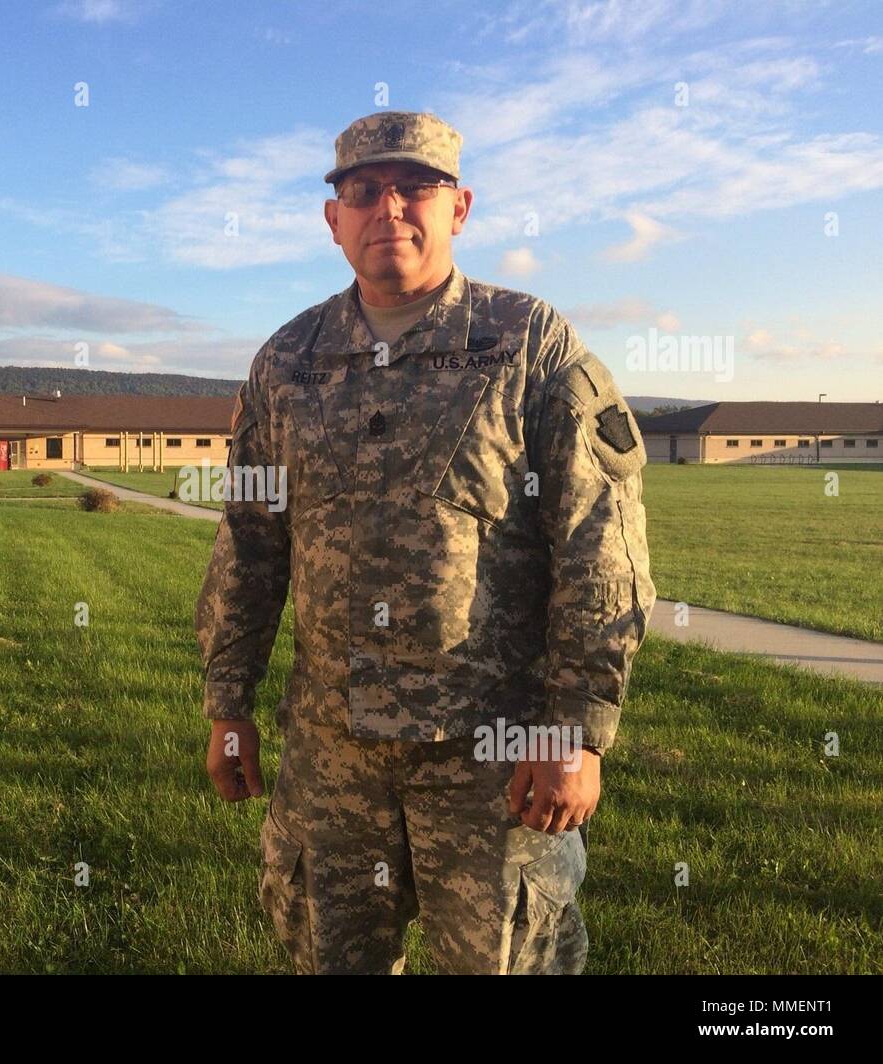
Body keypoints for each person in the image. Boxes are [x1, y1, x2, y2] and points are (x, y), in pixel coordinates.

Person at [194, 111, 655, 974]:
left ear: (461, 207)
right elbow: (250, 543)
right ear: (334, 220)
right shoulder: (287, 362)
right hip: (331, 752)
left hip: (492, 757)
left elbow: (600, 541)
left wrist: (577, 729)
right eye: (364, 192)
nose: (390, 208)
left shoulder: (529, 345)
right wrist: (229, 704)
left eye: (417, 187)